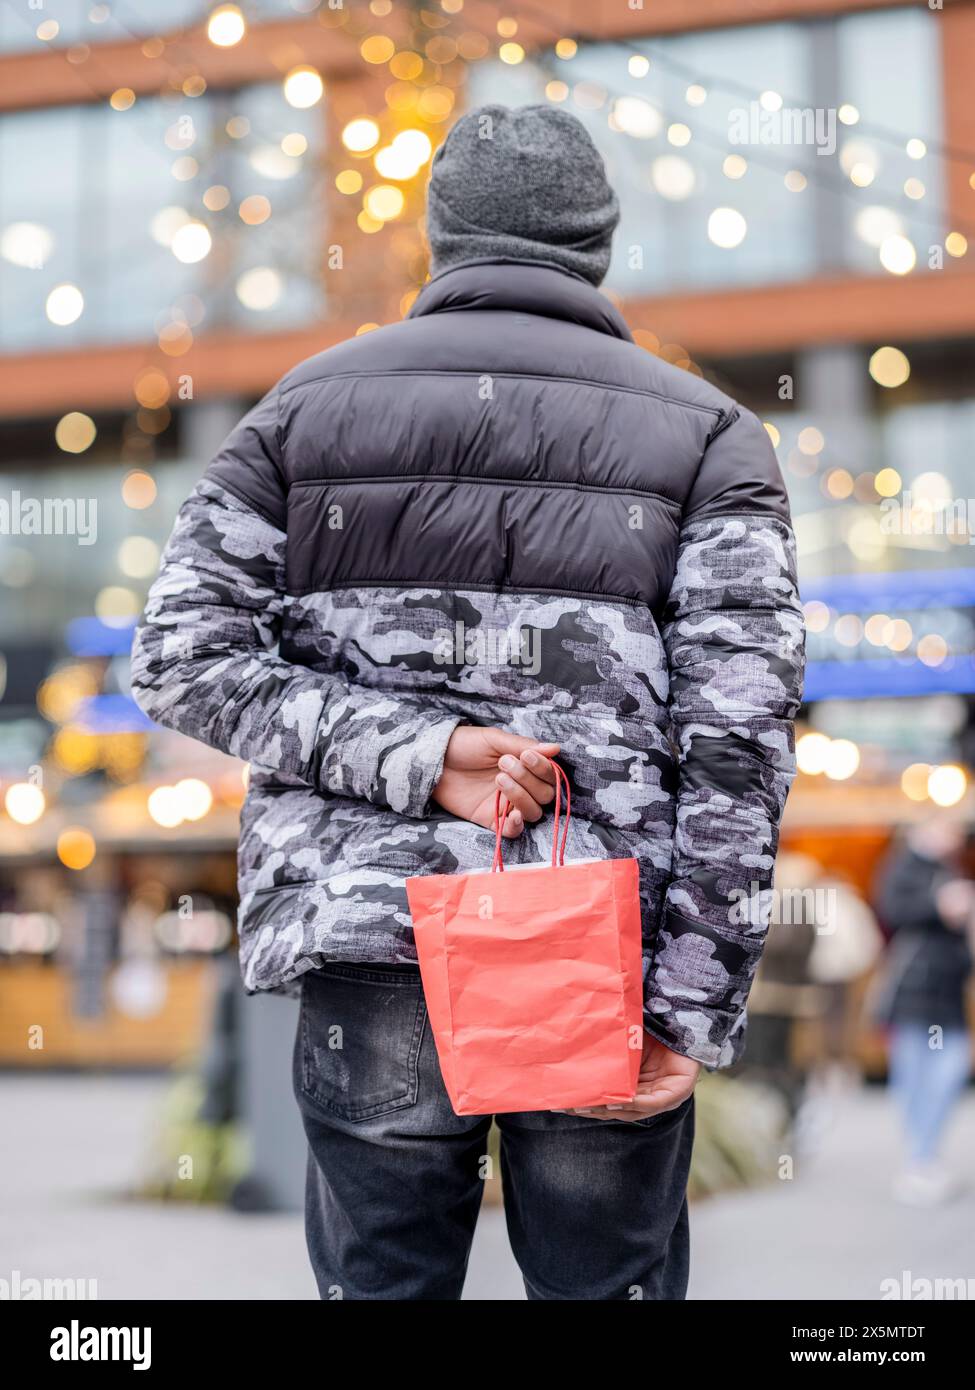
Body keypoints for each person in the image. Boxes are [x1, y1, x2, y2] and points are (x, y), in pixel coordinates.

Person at [131, 104, 804, 1300]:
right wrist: (693, 1002)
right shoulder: (712, 437)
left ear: (443, 239)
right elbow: (737, 744)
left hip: (374, 938)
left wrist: (415, 753)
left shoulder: (297, 413)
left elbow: (180, 654)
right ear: (597, 245)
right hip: (596, 952)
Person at [872, 817, 974, 1206]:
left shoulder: (947, 869)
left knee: (947, 1071)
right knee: (914, 1076)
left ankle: (924, 1155)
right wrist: (940, 905)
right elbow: (893, 910)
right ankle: (920, 1158)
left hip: (948, 993)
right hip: (914, 991)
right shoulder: (903, 866)